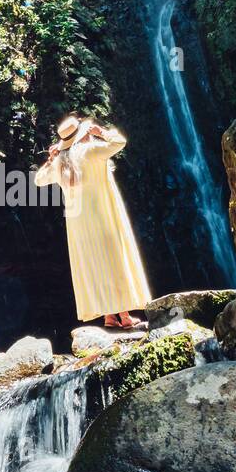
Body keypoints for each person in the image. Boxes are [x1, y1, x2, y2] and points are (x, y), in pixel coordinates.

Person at [35, 114, 151, 330]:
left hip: (79, 225)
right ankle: (124, 316)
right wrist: (101, 132)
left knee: (94, 264)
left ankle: (108, 316)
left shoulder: (60, 162)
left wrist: (51, 158)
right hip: (103, 215)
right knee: (112, 259)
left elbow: (39, 180)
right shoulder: (91, 151)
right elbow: (119, 142)